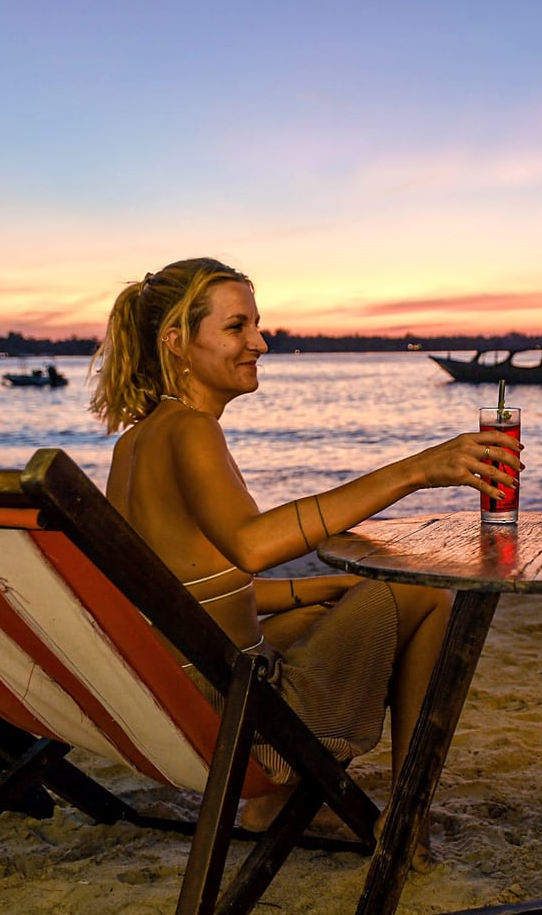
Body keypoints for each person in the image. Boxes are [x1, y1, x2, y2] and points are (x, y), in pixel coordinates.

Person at [89, 257, 520, 848]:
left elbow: (184, 592)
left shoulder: (135, 442)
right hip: (236, 719)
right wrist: (420, 469)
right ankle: (409, 819)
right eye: (236, 327)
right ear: (177, 342)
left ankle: (279, 807)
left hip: (174, 700)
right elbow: (252, 544)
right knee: (424, 595)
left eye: (257, 325)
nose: (259, 343)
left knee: (325, 613)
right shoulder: (190, 430)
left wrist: (316, 588)